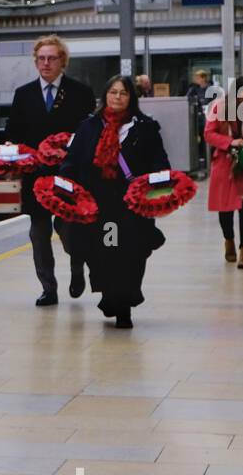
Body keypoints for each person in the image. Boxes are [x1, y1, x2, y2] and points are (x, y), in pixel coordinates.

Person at [59, 75, 170, 329]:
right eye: (113, 92)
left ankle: (124, 306)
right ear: (105, 95)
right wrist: (69, 187)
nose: (117, 97)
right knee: (103, 254)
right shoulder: (88, 127)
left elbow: (159, 162)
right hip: (98, 204)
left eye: (123, 93)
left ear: (132, 97)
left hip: (132, 205)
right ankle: (111, 296)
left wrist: (155, 186)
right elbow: (71, 162)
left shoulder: (145, 127)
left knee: (131, 254)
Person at [4, 35, 96, 306]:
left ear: (62, 61)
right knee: (38, 233)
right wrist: (9, 147)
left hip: (69, 176)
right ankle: (48, 287)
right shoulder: (24, 94)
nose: (45, 63)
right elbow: (13, 131)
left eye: (51, 58)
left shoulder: (80, 92)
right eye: (41, 58)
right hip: (36, 175)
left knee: (68, 230)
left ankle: (77, 265)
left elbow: (90, 133)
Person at [204, 77, 243, 268]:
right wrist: (230, 142)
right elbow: (208, 133)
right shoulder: (219, 107)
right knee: (225, 208)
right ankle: (229, 240)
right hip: (224, 163)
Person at [186, 69, 212, 172]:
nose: (196, 79)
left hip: (207, 119)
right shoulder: (194, 89)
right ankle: (200, 161)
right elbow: (187, 98)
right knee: (199, 141)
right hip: (197, 120)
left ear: (203, 78)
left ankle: (208, 161)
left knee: (207, 140)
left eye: (198, 77)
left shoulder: (210, 89)